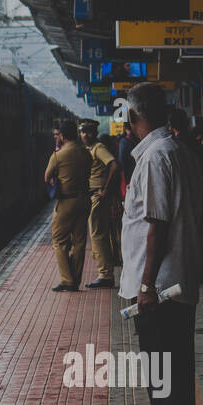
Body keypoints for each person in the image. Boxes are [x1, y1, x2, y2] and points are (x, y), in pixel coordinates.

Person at [119, 82, 203, 405]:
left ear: (135, 117)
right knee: (175, 373)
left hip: (161, 290)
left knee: (163, 376)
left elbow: (157, 224)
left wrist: (147, 284)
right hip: (178, 283)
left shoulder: (155, 157)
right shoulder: (178, 151)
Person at [45, 119, 92, 292]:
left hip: (66, 202)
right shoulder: (85, 153)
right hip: (85, 200)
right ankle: (76, 279)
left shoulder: (58, 155)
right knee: (79, 241)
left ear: (63, 136)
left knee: (59, 240)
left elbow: (47, 176)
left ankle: (67, 279)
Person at [79, 120, 119, 289]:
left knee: (97, 234)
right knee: (96, 234)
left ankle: (106, 275)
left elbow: (114, 165)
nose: (84, 135)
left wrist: (105, 190)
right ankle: (104, 272)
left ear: (94, 133)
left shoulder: (98, 148)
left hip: (97, 195)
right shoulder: (89, 150)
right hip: (93, 195)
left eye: (88, 132)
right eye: (82, 132)